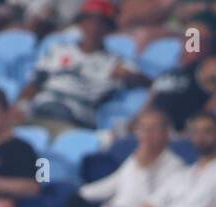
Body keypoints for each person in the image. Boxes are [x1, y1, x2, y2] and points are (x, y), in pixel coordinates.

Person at [16, 0, 147, 134]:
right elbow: (34, 82)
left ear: (108, 28)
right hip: (43, 108)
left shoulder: (114, 62)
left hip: (76, 117)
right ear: (81, 23)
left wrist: (129, 76)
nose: (94, 27)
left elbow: (149, 83)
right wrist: (21, 106)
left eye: (100, 22)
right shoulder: (59, 50)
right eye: (89, 21)